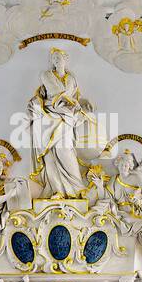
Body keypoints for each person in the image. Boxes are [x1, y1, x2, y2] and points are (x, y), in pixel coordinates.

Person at [27, 49, 94, 198]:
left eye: (58, 57)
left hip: (67, 117)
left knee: (65, 150)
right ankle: (57, 190)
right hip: (49, 117)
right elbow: (57, 93)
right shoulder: (46, 75)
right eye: (53, 58)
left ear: (65, 59)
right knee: (49, 155)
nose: (56, 60)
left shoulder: (72, 79)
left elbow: (75, 97)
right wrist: (74, 103)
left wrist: (84, 102)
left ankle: (77, 189)